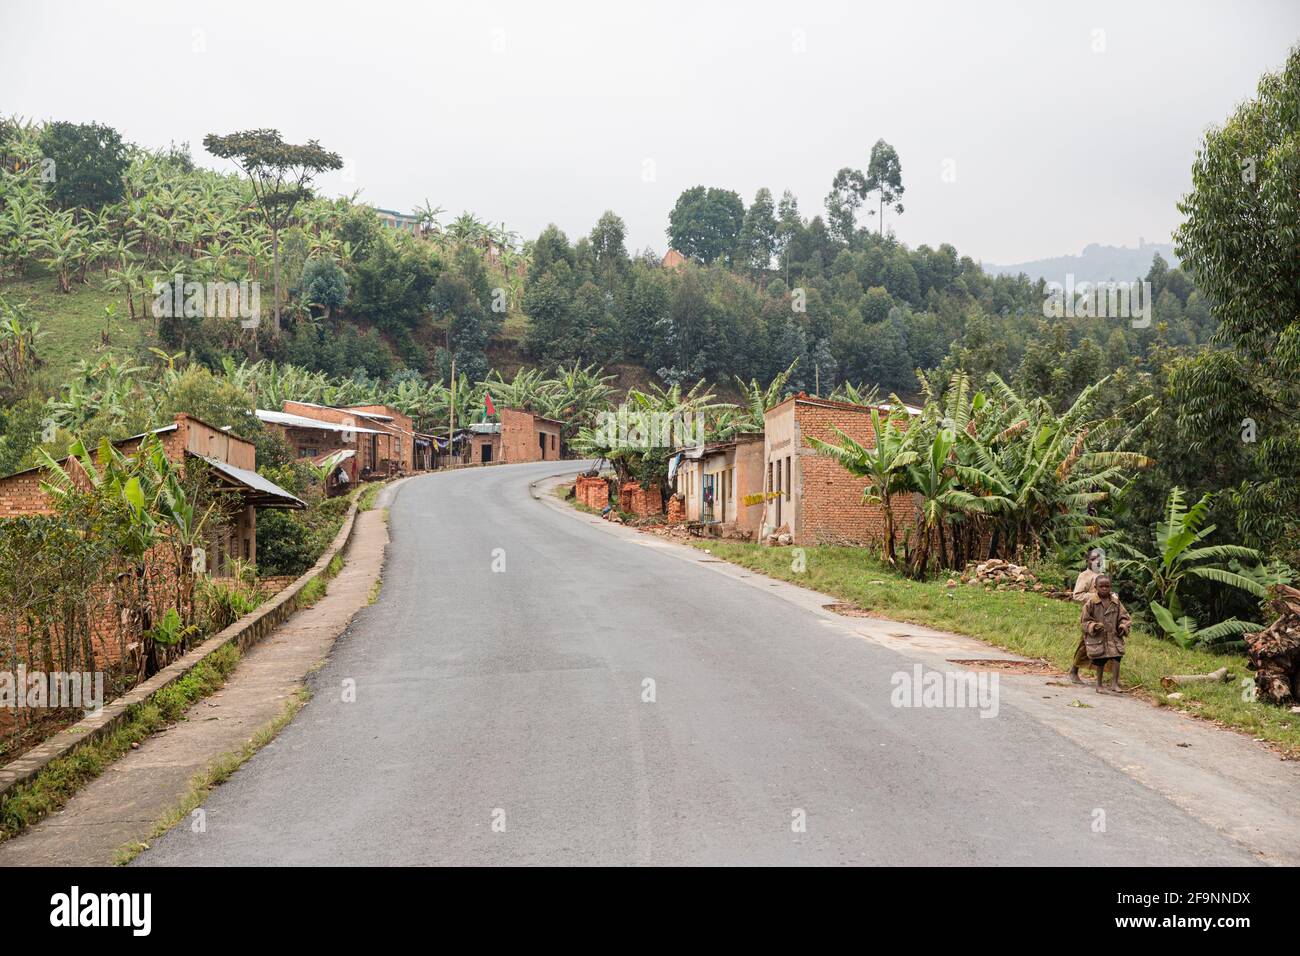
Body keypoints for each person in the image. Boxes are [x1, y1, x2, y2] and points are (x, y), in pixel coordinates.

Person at [1079, 575, 1130, 694]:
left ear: (1110, 587)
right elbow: (1084, 621)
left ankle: (1114, 683)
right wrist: (1093, 626)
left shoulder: (1116, 602)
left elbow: (1124, 617)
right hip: (1099, 637)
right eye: (1101, 586)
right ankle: (1099, 684)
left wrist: (1123, 626)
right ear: (1095, 587)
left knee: (1117, 657)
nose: (1104, 588)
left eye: (1107, 586)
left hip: (1114, 636)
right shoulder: (1091, 603)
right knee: (1100, 660)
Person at [1068, 548, 1105, 683]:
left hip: (1102, 614)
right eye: (1093, 559)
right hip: (1089, 614)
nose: (1096, 561)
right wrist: (1095, 596)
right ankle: (1074, 670)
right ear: (1087, 560)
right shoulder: (1085, 575)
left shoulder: (1101, 575)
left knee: (1104, 644)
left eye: (1098, 559)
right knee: (1085, 643)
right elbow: (1077, 595)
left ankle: (1102, 677)